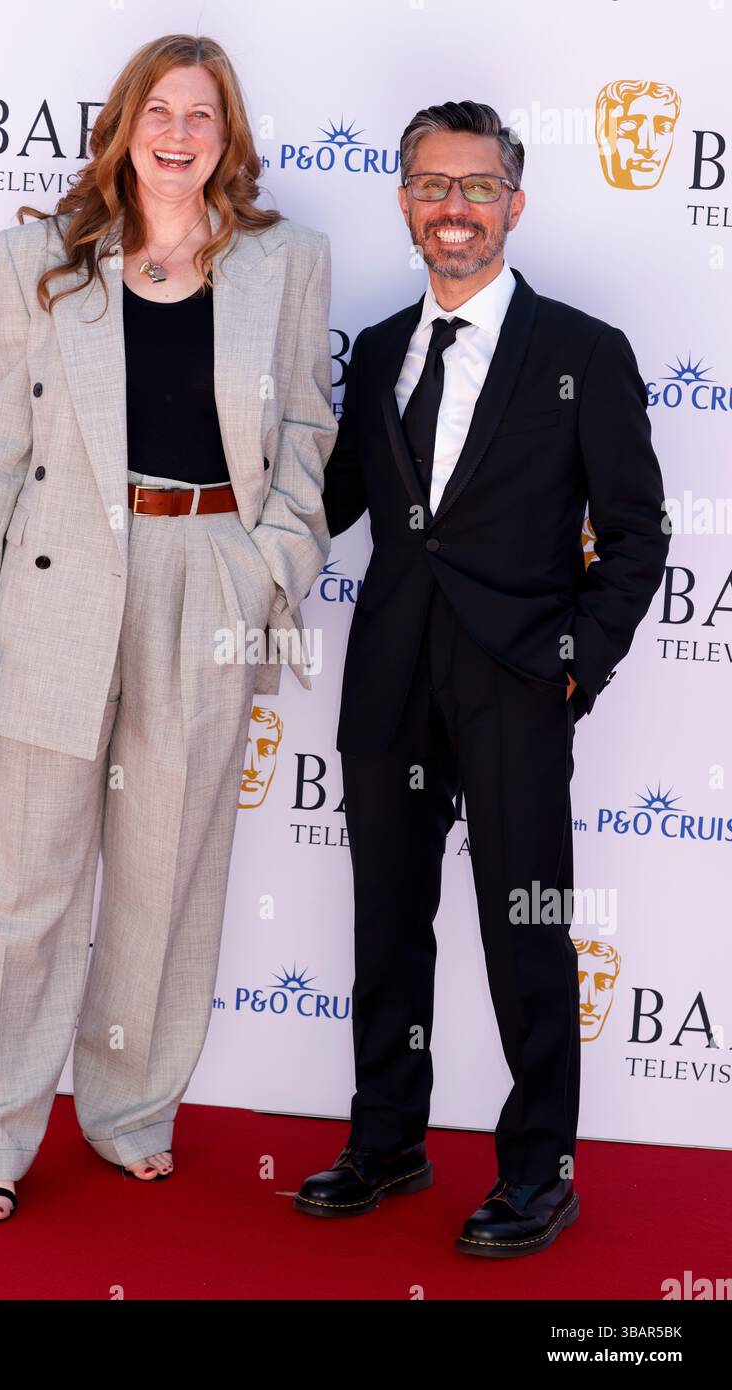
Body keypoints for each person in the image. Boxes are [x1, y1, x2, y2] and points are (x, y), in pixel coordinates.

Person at [0, 33, 336, 1222]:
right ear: (127, 121)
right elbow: (3, 446)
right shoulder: (41, 256)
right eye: (161, 106)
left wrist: (265, 570)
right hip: (59, 575)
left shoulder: (286, 262)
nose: (180, 130)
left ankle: (129, 1111)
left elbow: (308, 433)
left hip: (208, 571)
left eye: (204, 113)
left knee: (167, 875)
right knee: (22, 880)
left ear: (227, 136)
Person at [296, 100, 670, 1257]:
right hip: (391, 670)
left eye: (474, 186)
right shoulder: (371, 351)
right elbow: (328, 506)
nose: (451, 208)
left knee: (526, 925)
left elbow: (637, 533)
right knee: (386, 923)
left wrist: (573, 668)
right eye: (428, 185)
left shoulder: (582, 352)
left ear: (514, 200)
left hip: (516, 679)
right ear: (402, 200)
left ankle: (538, 1173)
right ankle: (388, 1140)